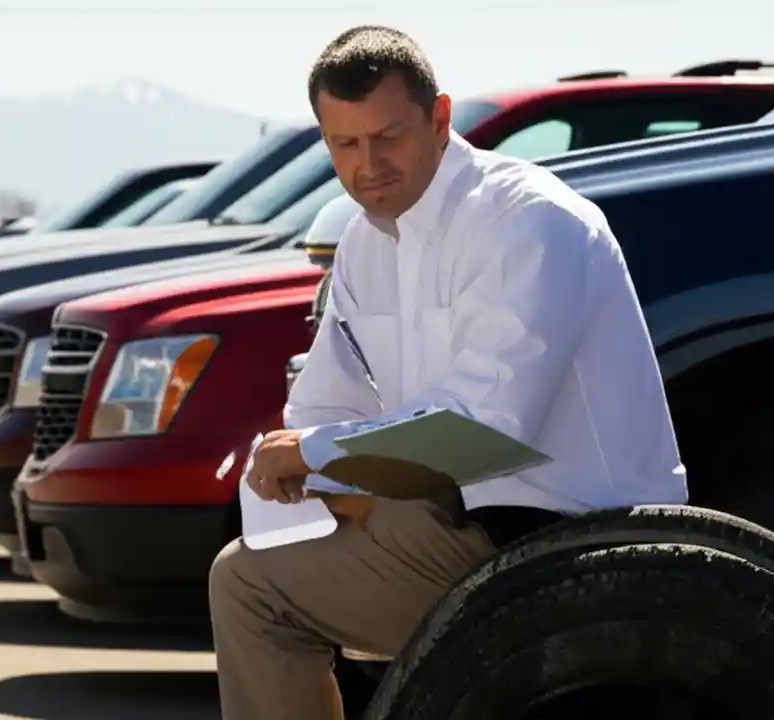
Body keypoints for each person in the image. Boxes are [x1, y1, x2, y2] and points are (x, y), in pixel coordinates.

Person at [208, 25, 689, 720]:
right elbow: (323, 408)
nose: (368, 164)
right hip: (453, 521)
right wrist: (315, 473)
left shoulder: (530, 221)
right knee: (256, 561)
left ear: (439, 119)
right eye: (345, 144)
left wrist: (315, 456)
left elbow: (486, 429)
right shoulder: (362, 246)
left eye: (388, 137)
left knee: (252, 589)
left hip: (570, 534)